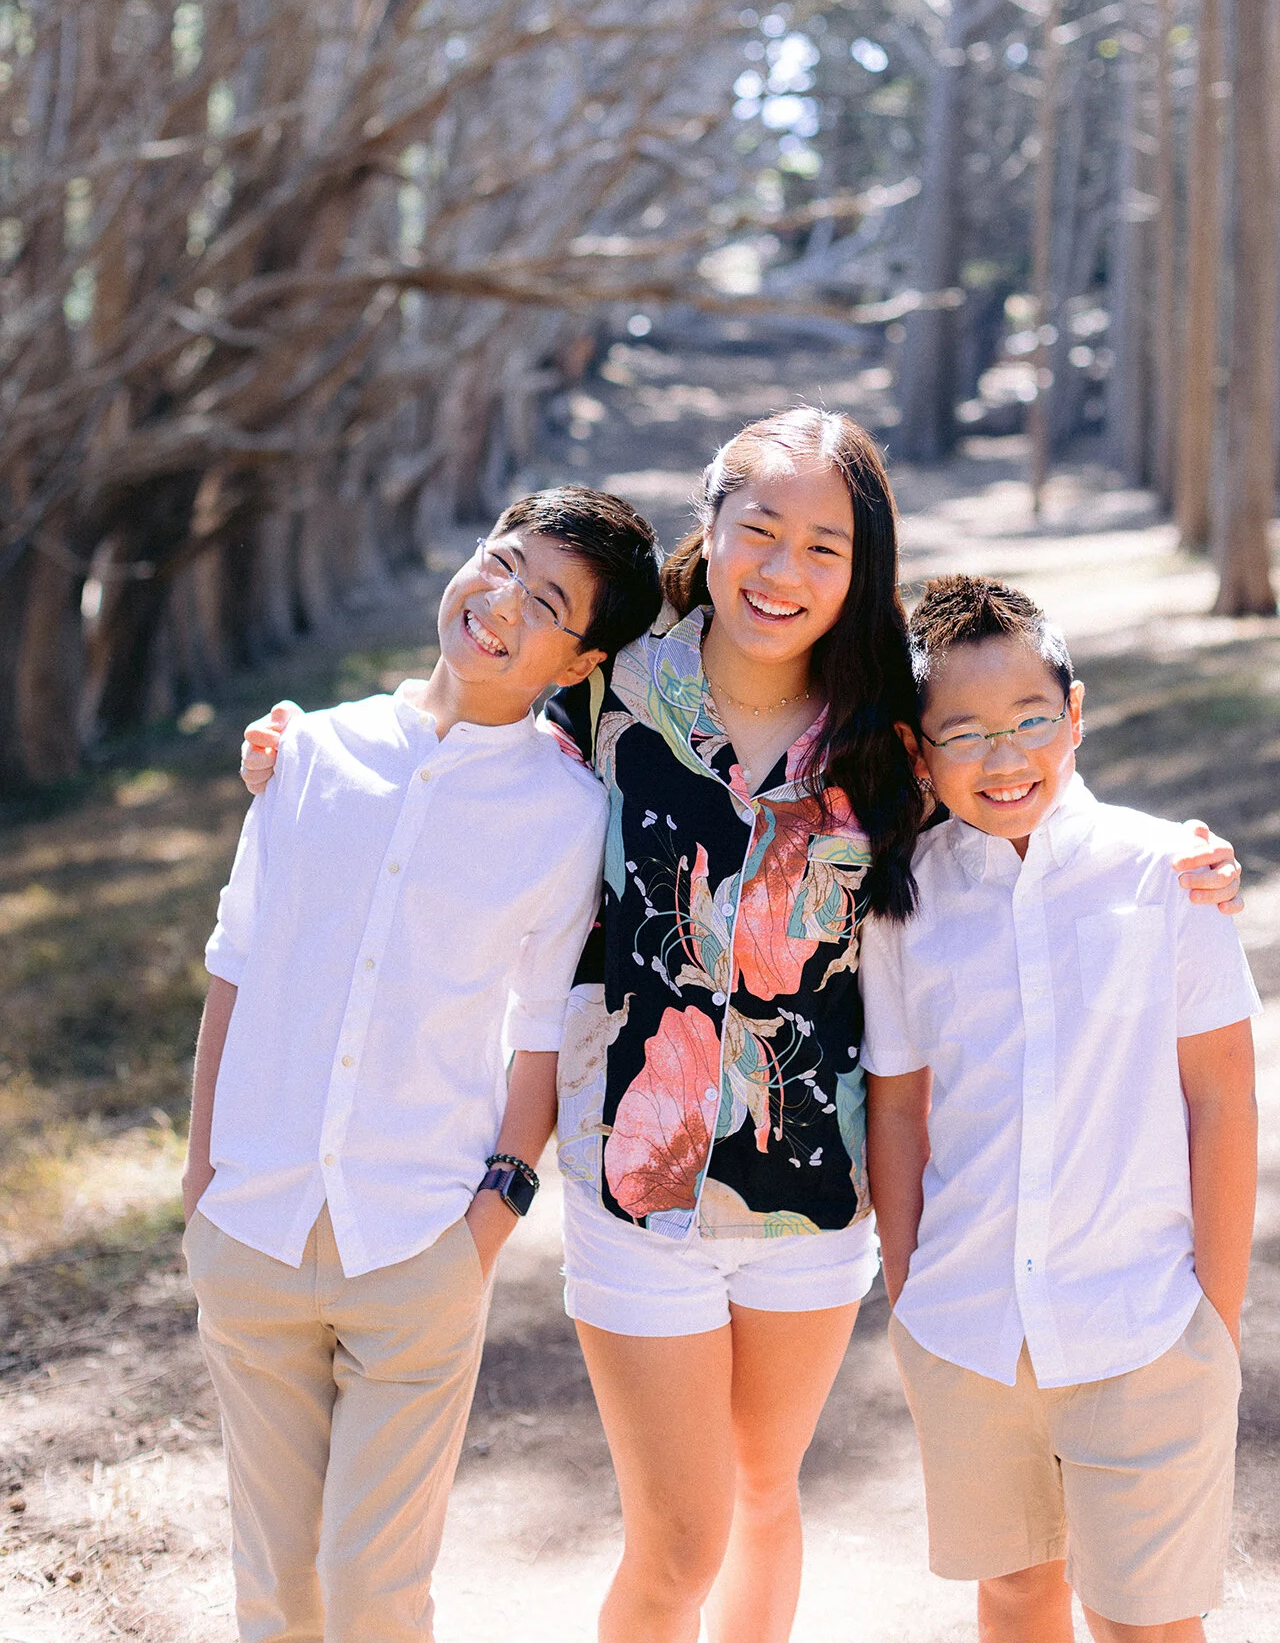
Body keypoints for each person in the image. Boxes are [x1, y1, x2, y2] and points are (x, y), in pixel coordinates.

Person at [241, 415, 1243, 1643]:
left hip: (805, 1192)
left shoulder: (885, 734)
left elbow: (1021, 782)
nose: (782, 571)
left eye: (822, 546)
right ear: (707, 532)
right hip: (632, 1176)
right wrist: (302, 742)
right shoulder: (613, 689)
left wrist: (1184, 860)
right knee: (677, 1540)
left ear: (859, 566)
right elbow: (474, 721)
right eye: (756, 530)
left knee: (766, 1492)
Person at [183, 485, 663, 1643]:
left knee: (370, 1594)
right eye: (498, 560)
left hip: (416, 1247)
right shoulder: (308, 752)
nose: (498, 601)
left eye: (544, 600)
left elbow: (541, 1031)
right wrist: (202, 1183)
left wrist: (489, 1218)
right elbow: (234, 966)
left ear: (576, 658)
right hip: (250, 1224)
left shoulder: (562, 814)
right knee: (276, 1594)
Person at [862, 574, 1259, 1643]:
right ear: (916, 752)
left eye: (1031, 720)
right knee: (1014, 1598)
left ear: (1073, 718)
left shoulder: (1167, 876)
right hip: (968, 1333)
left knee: (1147, 1622)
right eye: (965, 734)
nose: (1004, 758)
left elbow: (1220, 1098)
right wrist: (911, 1300)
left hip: (1142, 1326)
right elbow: (896, 1113)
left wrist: (1208, 1327)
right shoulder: (904, 903)